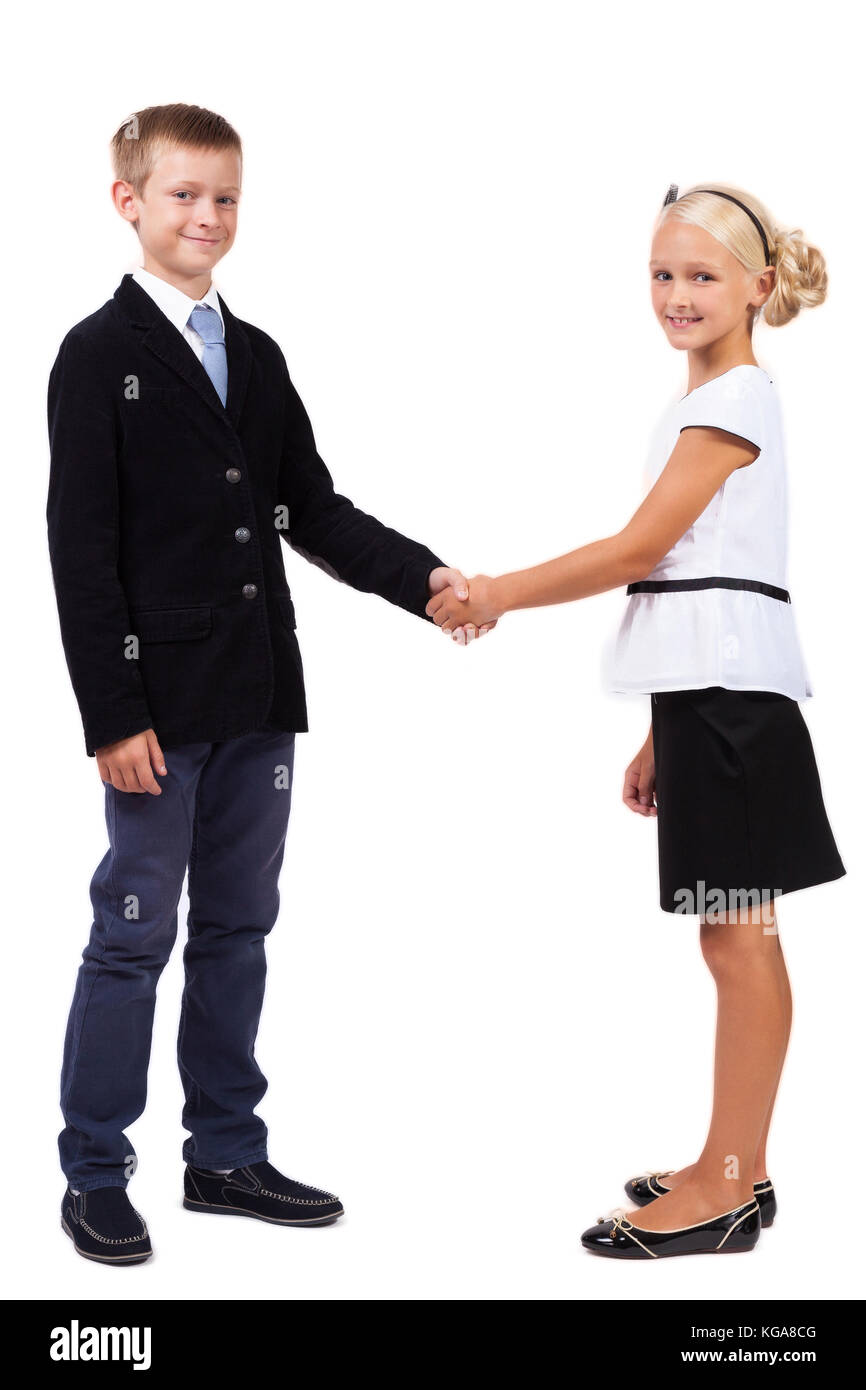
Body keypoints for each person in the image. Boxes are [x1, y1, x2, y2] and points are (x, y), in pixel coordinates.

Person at [46, 101, 492, 1266]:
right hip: (155, 713)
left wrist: (427, 582)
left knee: (239, 925)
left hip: (257, 693)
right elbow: (80, 550)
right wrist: (113, 716)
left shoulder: (256, 354)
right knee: (132, 934)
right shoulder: (97, 355)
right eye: (183, 194)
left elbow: (312, 509)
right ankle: (94, 1168)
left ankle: (224, 1155)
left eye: (225, 197)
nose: (207, 215)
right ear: (128, 201)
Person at [427, 182, 846, 1259]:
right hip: (712, 705)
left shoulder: (731, 401)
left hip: (732, 711)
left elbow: (637, 551)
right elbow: (703, 577)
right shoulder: (712, 401)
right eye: (661, 274)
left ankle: (724, 1184)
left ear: (757, 286)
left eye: (701, 275)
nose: (675, 294)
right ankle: (734, 1163)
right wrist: (663, 729)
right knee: (732, 934)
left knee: (736, 938)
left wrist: (494, 592)